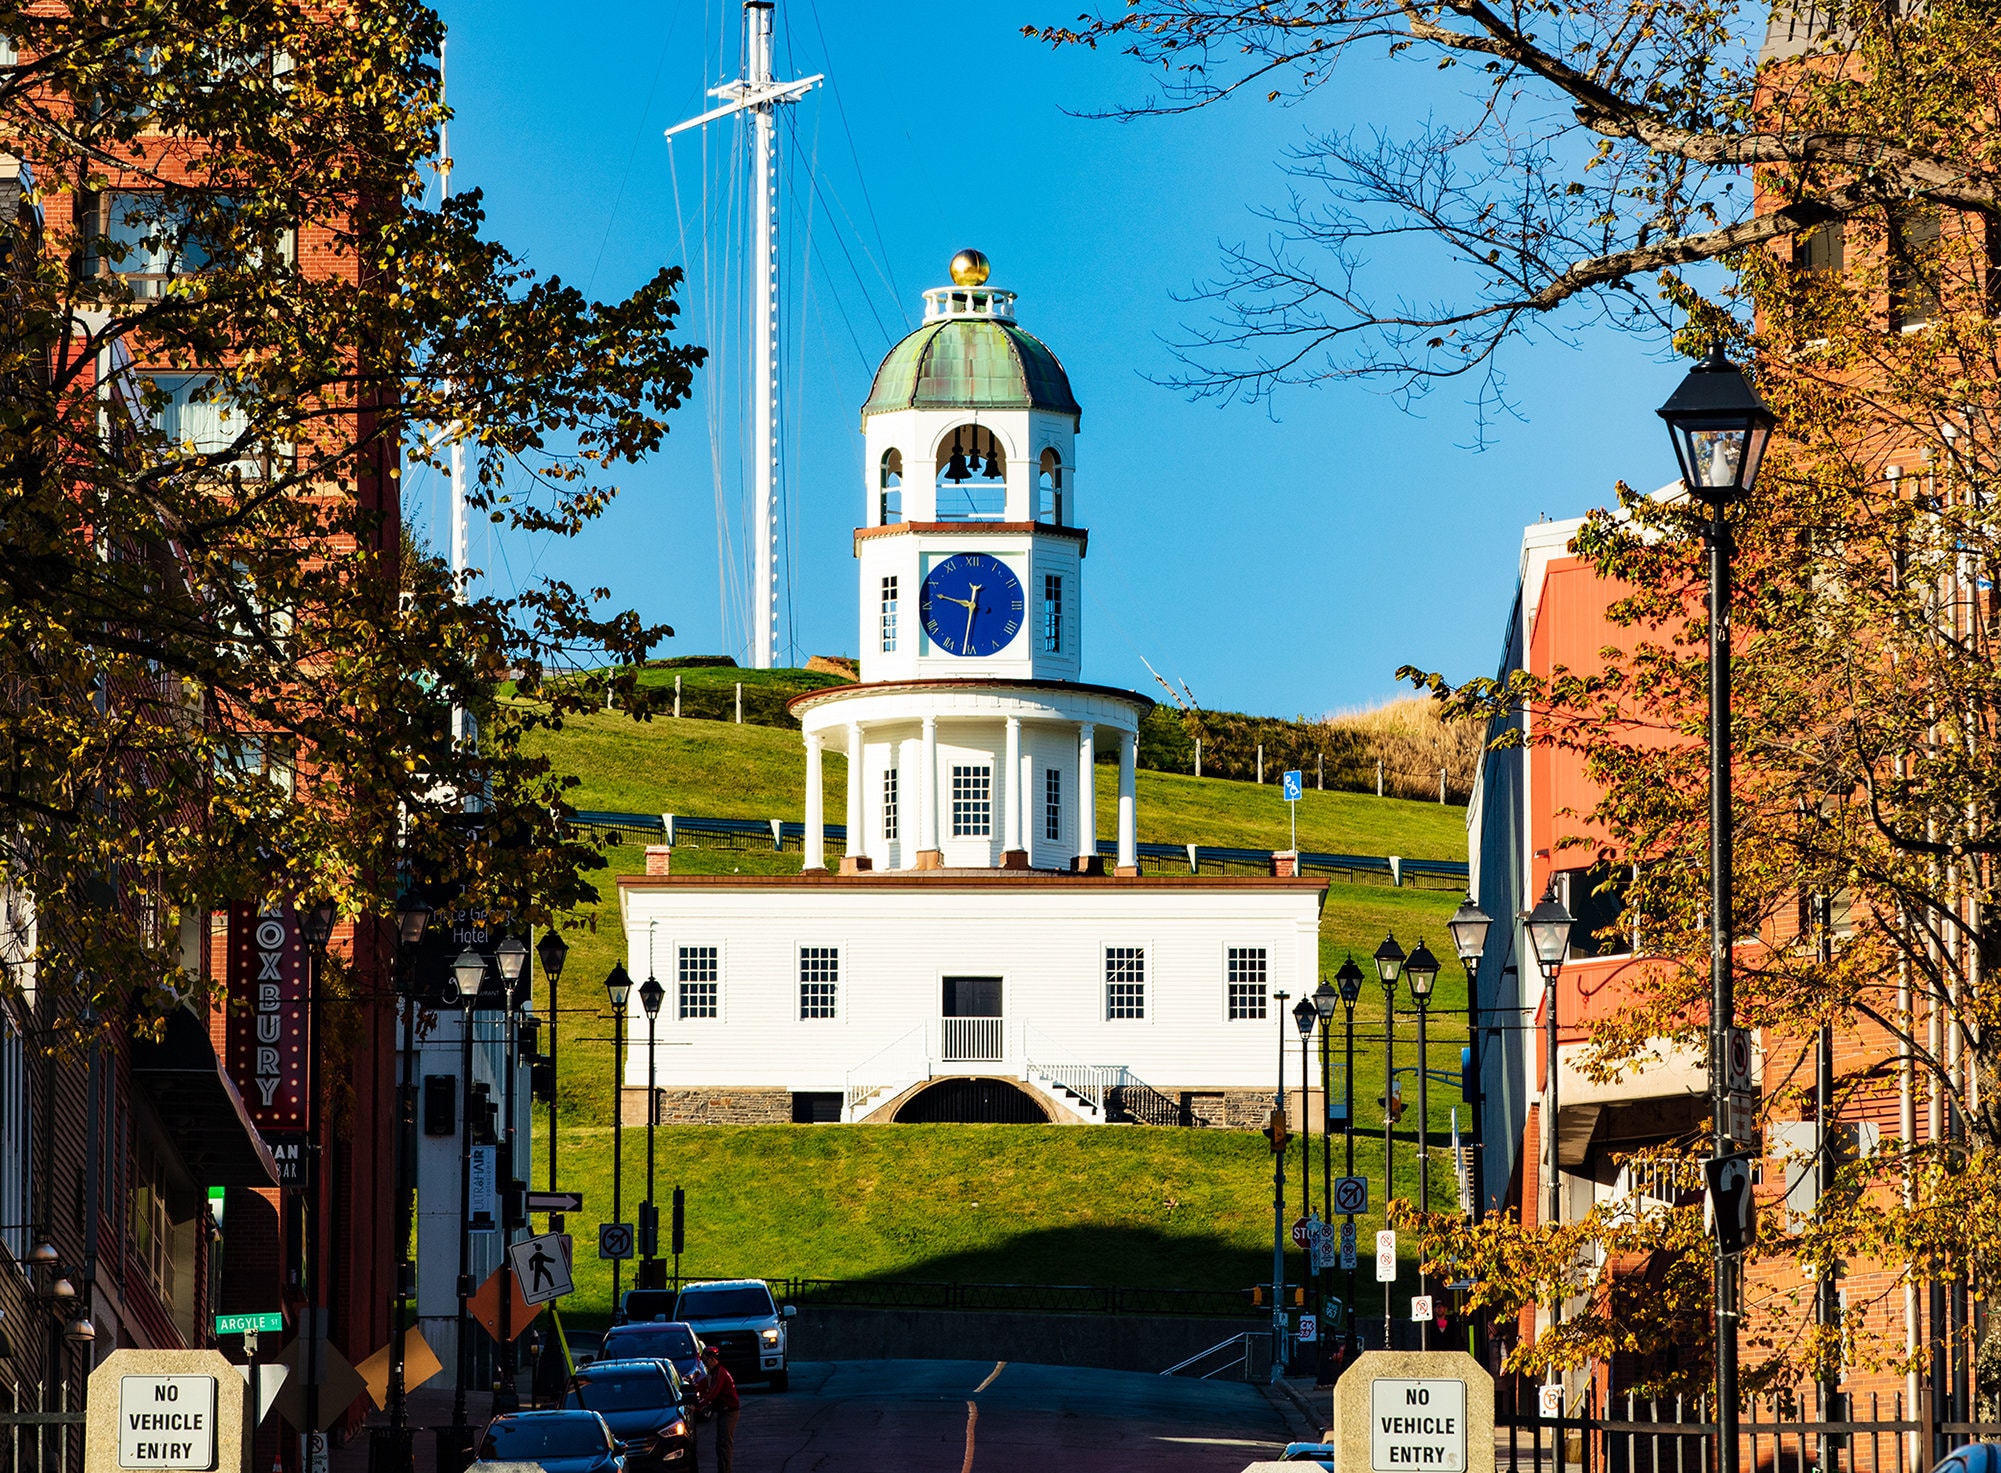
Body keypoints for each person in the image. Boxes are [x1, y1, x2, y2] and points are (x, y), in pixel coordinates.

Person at [693, 1344, 741, 1473]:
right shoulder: (714, 1373)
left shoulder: (720, 1373)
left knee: (725, 1444)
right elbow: (705, 1388)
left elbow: (713, 1392)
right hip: (723, 1411)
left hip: (729, 1411)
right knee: (720, 1444)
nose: (705, 1364)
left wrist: (699, 1405)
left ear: (711, 1359)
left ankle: (726, 1470)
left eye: (705, 1361)